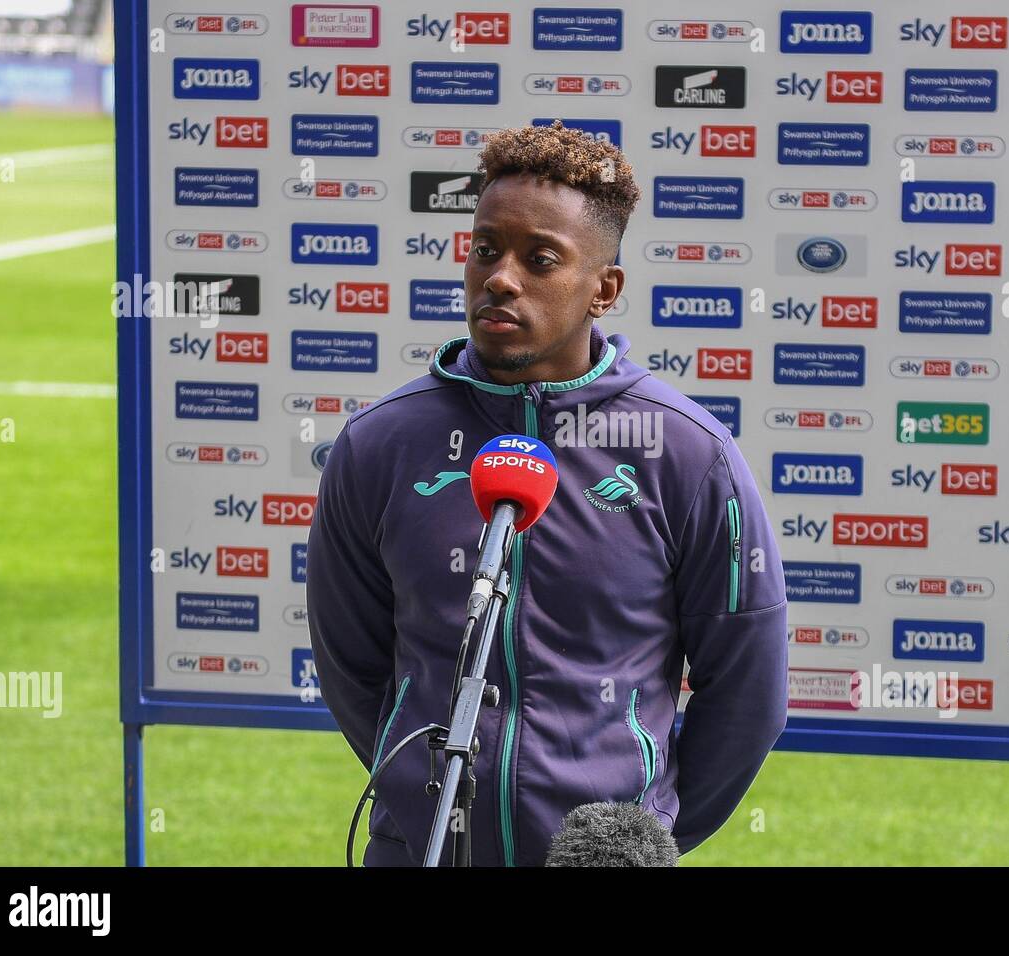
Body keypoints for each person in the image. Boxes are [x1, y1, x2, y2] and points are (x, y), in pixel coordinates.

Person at [306, 120, 788, 867]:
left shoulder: (690, 455)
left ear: (605, 288)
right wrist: (422, 799)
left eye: (541, 259)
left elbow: (746, 688)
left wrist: (639, 841)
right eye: (486, 249)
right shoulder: (378, 445)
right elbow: (354, 666)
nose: (501, 277)